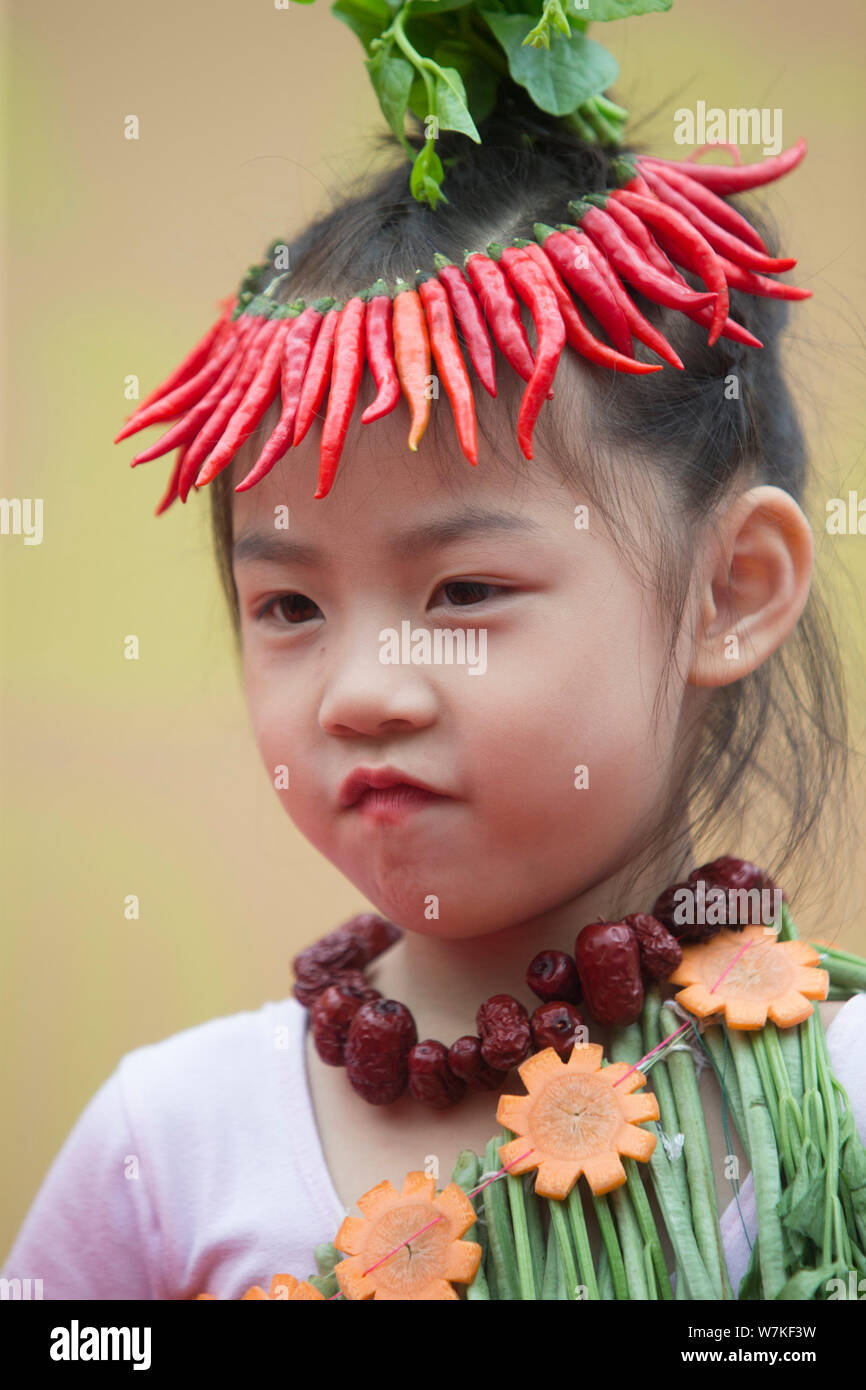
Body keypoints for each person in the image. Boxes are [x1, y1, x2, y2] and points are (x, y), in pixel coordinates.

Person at [3, 85, 865, 1302]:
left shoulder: (839, 1105)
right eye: (288, 607)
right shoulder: (165, 1144)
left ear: (727, 590)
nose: (358, 694)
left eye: (462, 589)